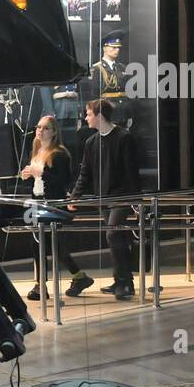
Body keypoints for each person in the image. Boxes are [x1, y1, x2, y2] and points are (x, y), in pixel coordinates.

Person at [69, 98, 141, 300]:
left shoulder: (124, 137)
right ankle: (122, 280)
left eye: (88, 114)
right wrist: (75, 196)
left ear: (99, 115)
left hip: (122, 196)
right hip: (104, 197)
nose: (86, 117)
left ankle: (124, 282)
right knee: (114, 237)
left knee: (112, 234)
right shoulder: (91, 142)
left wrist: (135, 199)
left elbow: (131, 171)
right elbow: (85, 173)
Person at [20, 114, 95, 300]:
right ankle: (76, 277)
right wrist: (28, 176)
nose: (40, 130)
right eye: (38, 126)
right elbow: (37, 184)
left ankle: (42, 285)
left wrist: (41, 173)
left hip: (51, 204)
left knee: (46, 244)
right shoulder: (37, 152)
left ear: (54, 132)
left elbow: (62, 181)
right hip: (37, 203)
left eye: (45, 127)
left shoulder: (60, 154)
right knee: (45, 244)